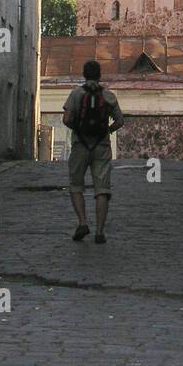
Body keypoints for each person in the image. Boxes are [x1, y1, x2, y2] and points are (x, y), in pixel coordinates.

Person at [62, 59, 125, 244]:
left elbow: (66, 119)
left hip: (80, 145)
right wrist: (107, 131)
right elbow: (120, 121)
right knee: (102, 189)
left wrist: (78, 130)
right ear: (99, 75)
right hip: (102, 146)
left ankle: (82, 223)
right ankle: (99, 231)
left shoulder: (75, 94)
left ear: (84, 74)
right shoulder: (109, 95)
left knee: (75, 186)